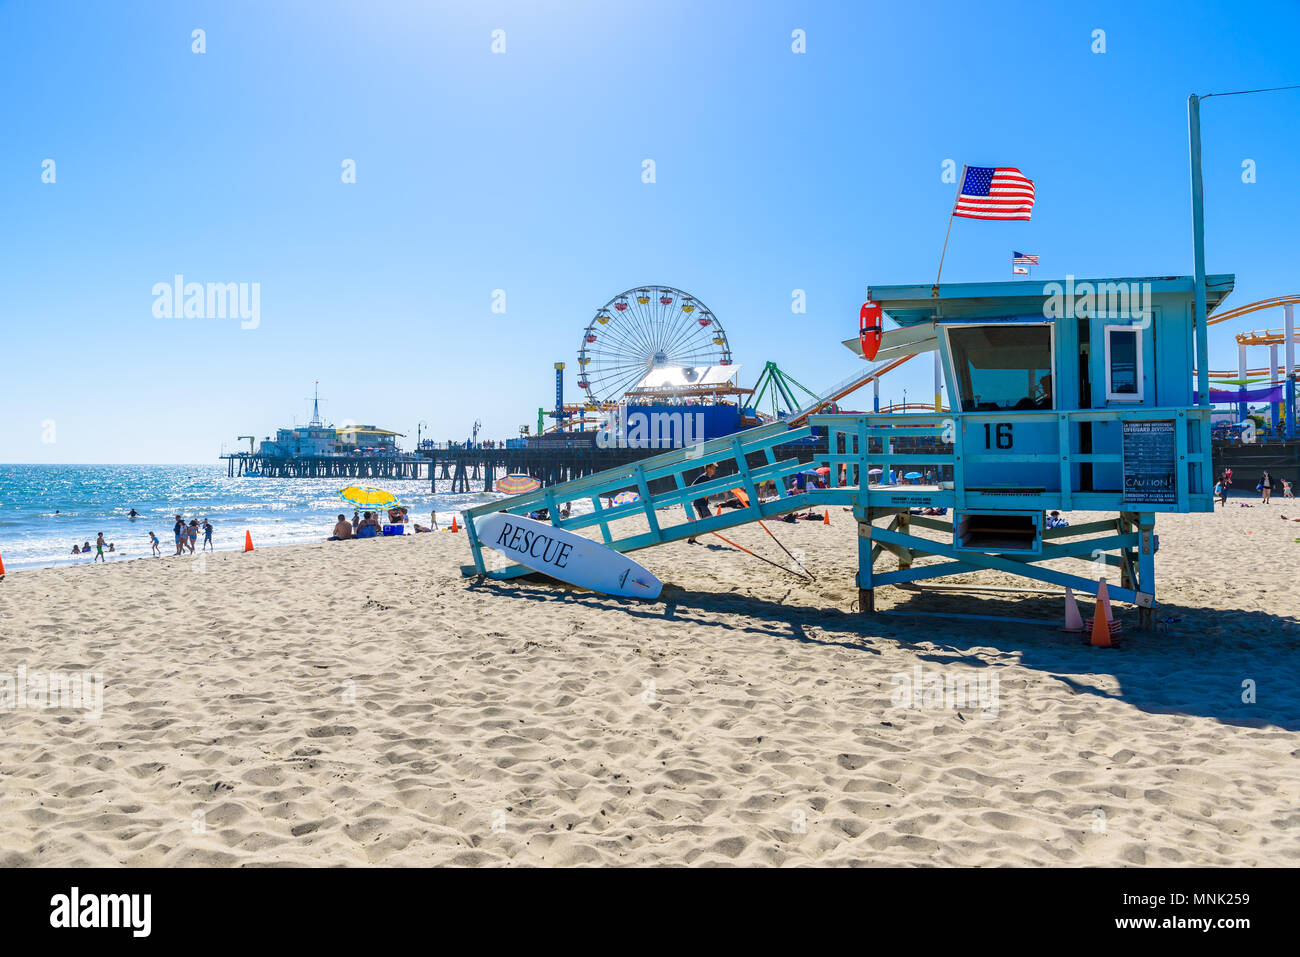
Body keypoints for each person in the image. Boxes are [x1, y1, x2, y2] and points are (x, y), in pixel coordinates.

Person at [686, 462, 719, 544]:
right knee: (708, 520)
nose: (714, 470)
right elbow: (692, 486)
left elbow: (709, 489)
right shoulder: (704, 477)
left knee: (704, 521)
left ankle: (691, 538)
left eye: (715, 469)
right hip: (699, 503)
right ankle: (691, 537)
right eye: (713, 468)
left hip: (701, 503)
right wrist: (701, 494)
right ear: (708, 469)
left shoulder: (708, 478)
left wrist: (709, 494)